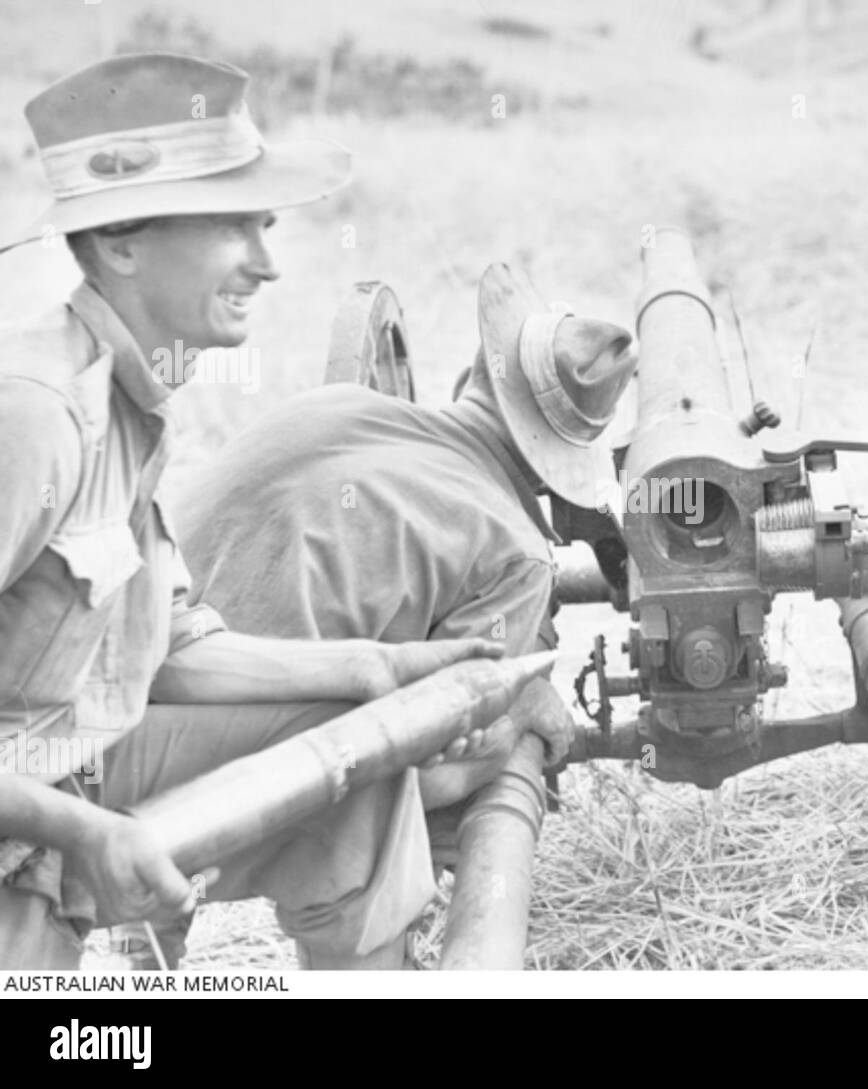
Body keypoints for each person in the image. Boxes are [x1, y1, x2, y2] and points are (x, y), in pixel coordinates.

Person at [0, 52, 508, 971]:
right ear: (120, 242)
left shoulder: (127, 394)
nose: (268, 264)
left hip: (59, 777)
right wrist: (82, 831)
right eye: (234, 227)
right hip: (24, 824)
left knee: (352, 747)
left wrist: (378, 666)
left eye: (264, 224)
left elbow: (173, 654)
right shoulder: (33, 412)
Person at [169, 263, 636, 963]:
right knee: (375, 850)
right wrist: (520, 716)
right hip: (220, 792)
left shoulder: (328, 406)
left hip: (113, 721)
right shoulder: (516, 555)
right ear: (560, 465)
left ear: (473, 378)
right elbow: (429, 778)